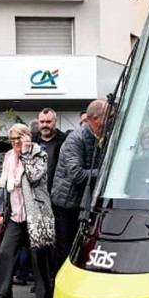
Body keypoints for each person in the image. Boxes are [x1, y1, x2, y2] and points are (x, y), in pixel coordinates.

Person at [0, 124, 56, 298]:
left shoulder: (39, 153)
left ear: (27, 137)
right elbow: (6, 187)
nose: (16, 142)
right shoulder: (9, 156)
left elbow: (34, 177)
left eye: (19, 138)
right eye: (13, 139)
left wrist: (25, 154)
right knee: (6, 251)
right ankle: (4, 295)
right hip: (15, 215)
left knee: (38, 255)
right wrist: (4, 212)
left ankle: (43, 295)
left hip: (36, 214)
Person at [52, 99, 106, 274]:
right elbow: (77, 175)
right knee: (66, 252)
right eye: (110, 116)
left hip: (84, 204)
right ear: (96, 118)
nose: (114, 120)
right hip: (67, 206)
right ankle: (57, 286)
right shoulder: (76, 139)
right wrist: (107, 173)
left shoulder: (103, 138)